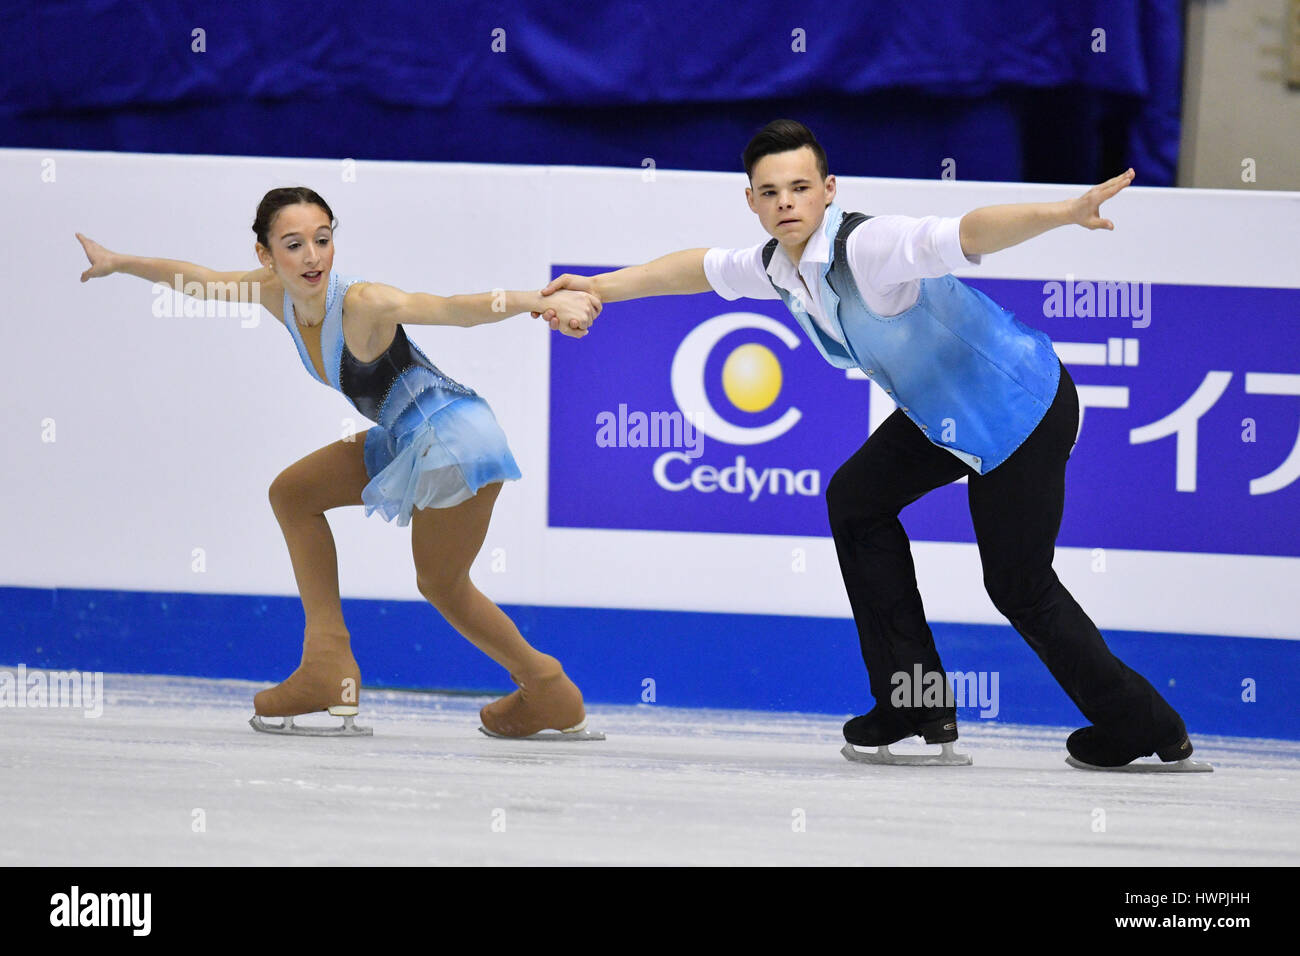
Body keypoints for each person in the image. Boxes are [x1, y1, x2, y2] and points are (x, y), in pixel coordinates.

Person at [537, 120, 1207, 771]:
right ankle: (914, 705)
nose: (785, 203)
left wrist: (1063, 211)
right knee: (856, 501)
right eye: (769, 193)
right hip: (943, 417)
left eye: (799, 188)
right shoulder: (779, 265)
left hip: (1020, 411)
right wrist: (598, 287)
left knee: (1018, 586)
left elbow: (968, 231)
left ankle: (1146, 725)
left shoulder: (871, 246)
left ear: (829, 189)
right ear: (752, 202)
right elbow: (695, 270)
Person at [75, 186, 604, 740]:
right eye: (294, 244)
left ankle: (546, 688)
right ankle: (327, 665)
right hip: (406, 434)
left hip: (454, 438)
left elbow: (451, 308)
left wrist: (540, 302)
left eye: (322, 241)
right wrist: (120, 263)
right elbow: (197, 280)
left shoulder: (362, 303)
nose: (312, 257)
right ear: (266, 255)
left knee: (442, 584)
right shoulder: (270, 293)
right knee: (294, 493)